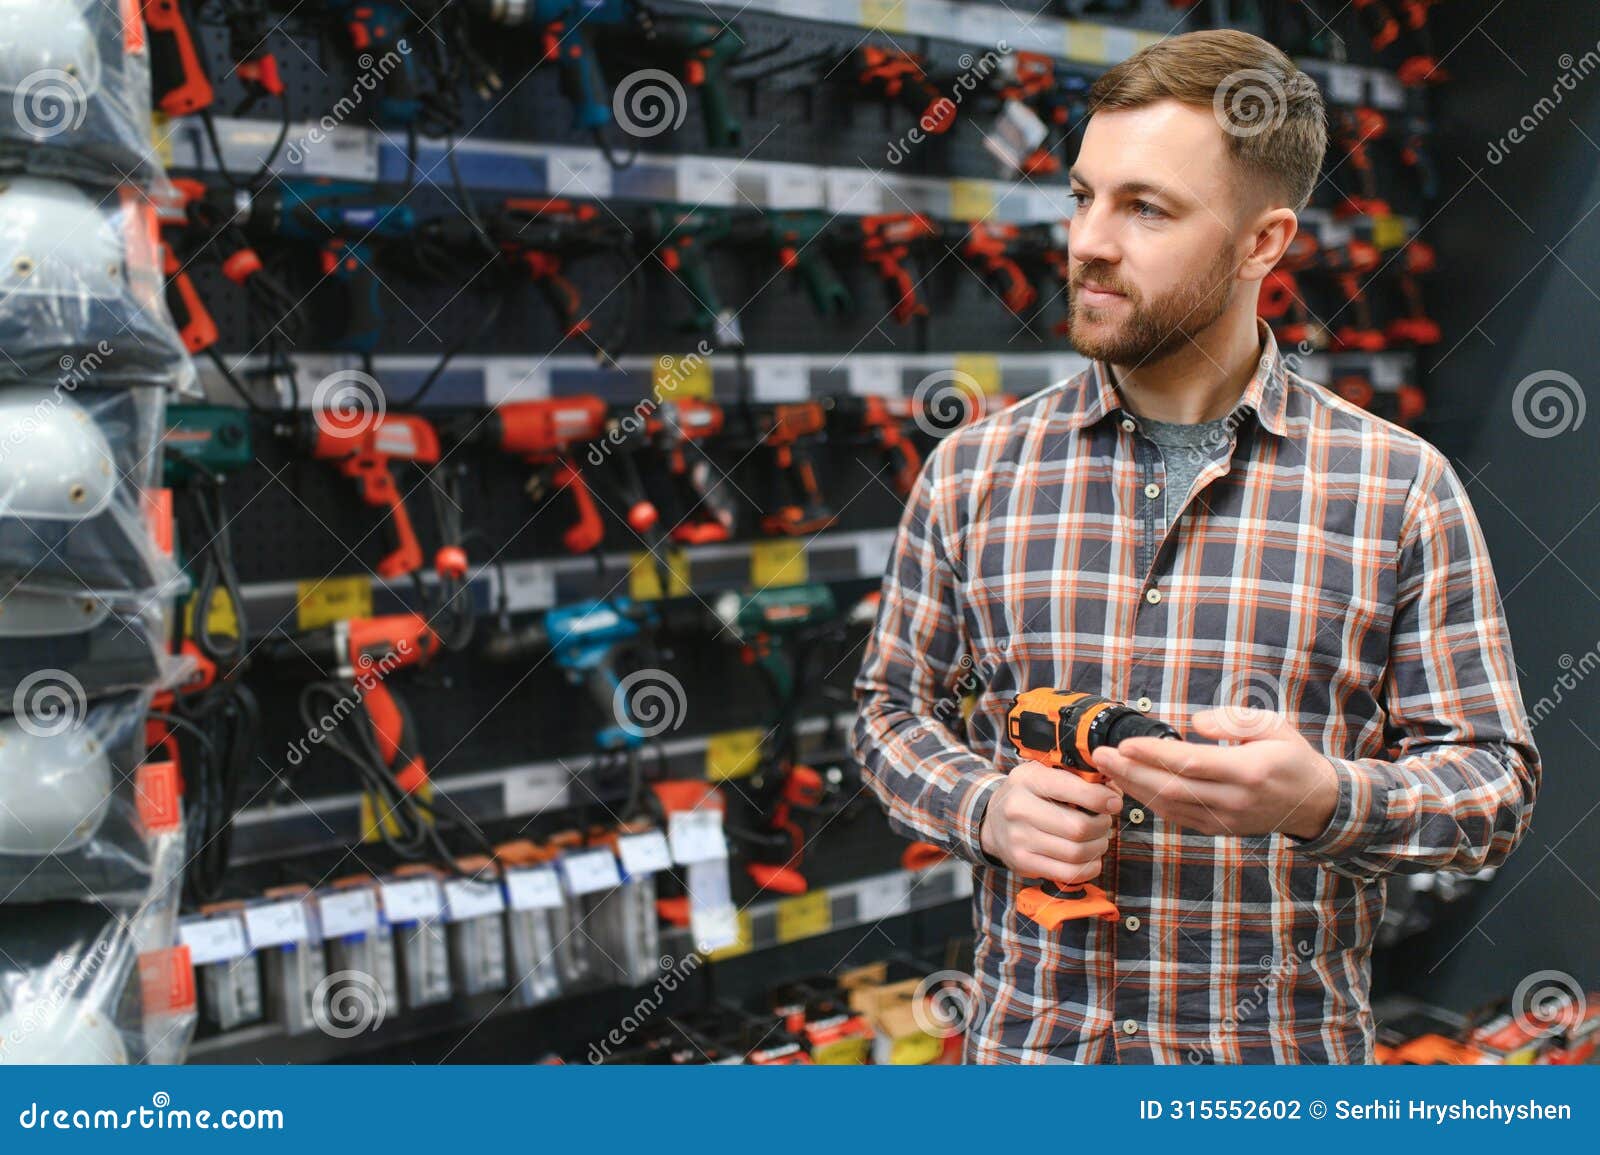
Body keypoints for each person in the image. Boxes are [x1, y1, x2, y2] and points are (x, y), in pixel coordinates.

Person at [850, 28, 1540, 1064]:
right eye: (1083, 196)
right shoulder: (974, 472)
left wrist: (1324, 800)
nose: (1087, 240)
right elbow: (887, 711)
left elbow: (1490, 784)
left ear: (1262, 242)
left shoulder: (1395, 489)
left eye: (1146, 209)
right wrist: (983, 806)